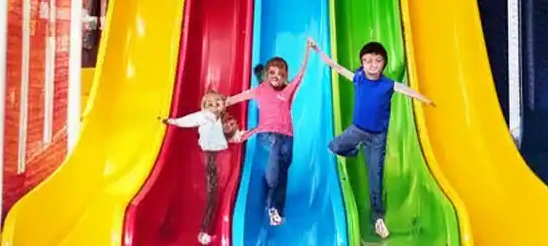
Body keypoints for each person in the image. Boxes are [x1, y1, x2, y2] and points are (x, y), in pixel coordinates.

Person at [313, 40, 435, 239]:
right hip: (357, 131)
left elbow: (406, 90)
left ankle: (378, 218)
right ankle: (354, 150)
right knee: (334, 145)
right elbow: (334, 65)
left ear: (384, 64)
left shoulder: (388, 85)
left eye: (377, 61)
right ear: (362, 63)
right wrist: (318, 50)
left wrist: (424, 99)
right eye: (367, 61)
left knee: (375, 177)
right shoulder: (358, 79)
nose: (372, 65)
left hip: (377, 137)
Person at [226, 41, 314, 227]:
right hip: (268, 135)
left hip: (288, 137)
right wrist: (222, 103)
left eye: (281, 74)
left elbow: (301, 73)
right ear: (266, 75)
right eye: (272, 73)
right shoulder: (260, 90)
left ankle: (275, 208)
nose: (277, 76)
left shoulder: (288, 90)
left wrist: (307, 50)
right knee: (274, 170)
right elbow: (238, 97)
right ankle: (270, 195)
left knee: (283, 172)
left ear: (285, 77)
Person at [160, 90, 242, 245]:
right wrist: (171, 121)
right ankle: (205, 230)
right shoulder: (203, 116)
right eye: (210, 104)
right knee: (213, 192)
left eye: (218, 103)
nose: (214, 106)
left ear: (224, 105)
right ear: (204, 107)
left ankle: (206, 226)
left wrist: (236, 135)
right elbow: (186, 121)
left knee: (218, 189)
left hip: (221, 154)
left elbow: (231, 133)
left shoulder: (225, 118)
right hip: (209, 155)